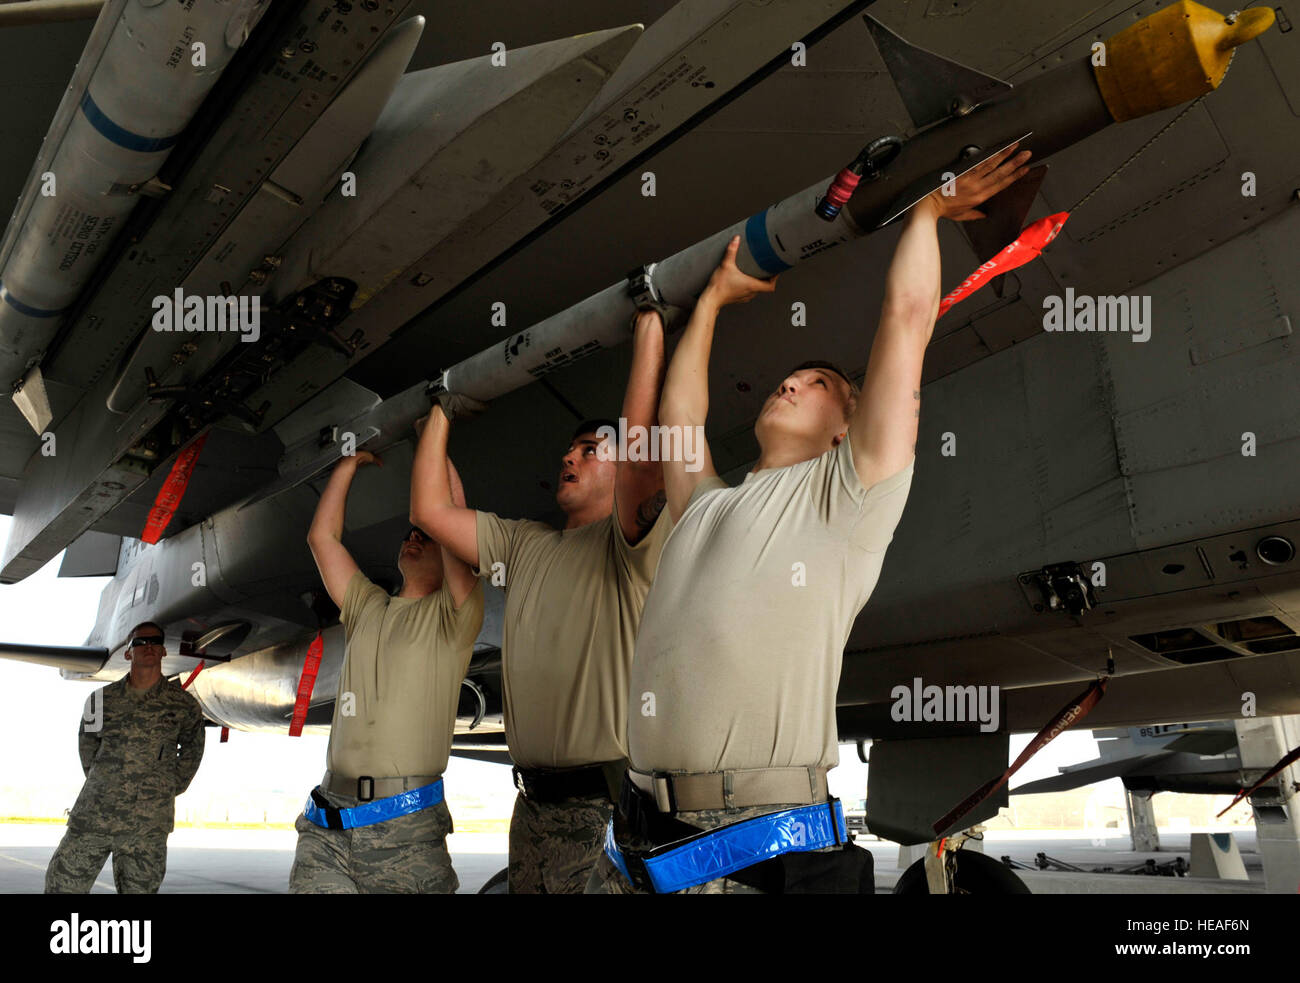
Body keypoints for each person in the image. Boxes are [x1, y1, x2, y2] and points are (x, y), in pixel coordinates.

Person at [591, 145, 1034, 894]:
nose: (793, 378)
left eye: (820, 381)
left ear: (846, 427)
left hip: (759, 852)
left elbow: (905, 320)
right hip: (645, 845)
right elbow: (681, 413)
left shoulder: (851, 494)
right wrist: (710, 305)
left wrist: (926, 214)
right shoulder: (707, 505)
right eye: (790, 376)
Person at [411, 309, 672, 893]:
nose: (568, 457)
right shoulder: (525, 545)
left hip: (607, 812)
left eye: (588, 449)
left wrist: (651, 325)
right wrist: (438, 413)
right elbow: (432, 510)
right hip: (532, 811)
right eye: (568, 450)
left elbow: (642, 453)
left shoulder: (631, 543)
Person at [289, 447, 483, 893]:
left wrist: (434, 445)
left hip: (407, 830)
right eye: (410, 534)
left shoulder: (455, 617)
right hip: (328, 824)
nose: (413, 539)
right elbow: (323, 540)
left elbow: (455, 518)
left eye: (427, 536)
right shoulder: (366, 605)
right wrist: (345, 468)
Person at [44, 621, 206, 894]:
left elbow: (192, 752)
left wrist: (163, 787)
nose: (148, 647)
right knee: (61, 885)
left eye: (155, 641)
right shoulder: (98, 700)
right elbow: (88, 751)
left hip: (147, 826)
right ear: (128, 653)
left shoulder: (184, 706)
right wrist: (108, 782)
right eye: (140, 643)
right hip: (95, 816)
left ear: (163, 650)